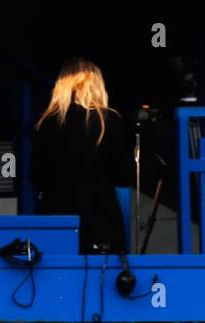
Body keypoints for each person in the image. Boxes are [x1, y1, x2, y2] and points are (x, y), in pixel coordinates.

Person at [29, 58, 130, 254]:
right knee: (102, 281)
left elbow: (36, 176)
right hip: (101, 220)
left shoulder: (46, 123)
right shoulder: (107, 120)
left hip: (57, 219)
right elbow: (123, 176)